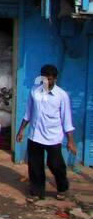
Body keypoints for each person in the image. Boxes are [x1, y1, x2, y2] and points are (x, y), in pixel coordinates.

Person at [16, 64, 76, 203]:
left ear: (55, 78)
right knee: (35, 165)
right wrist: (21, 130)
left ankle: (63, 188)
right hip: (35, 135)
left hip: (53, 136)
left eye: (49, 79)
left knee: (55, 164)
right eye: (44, 79)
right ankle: (37, 192)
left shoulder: (62, 96)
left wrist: (71, 141)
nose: (46, 82)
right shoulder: (34, 91)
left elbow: (67, 120)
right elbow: (28, 112)